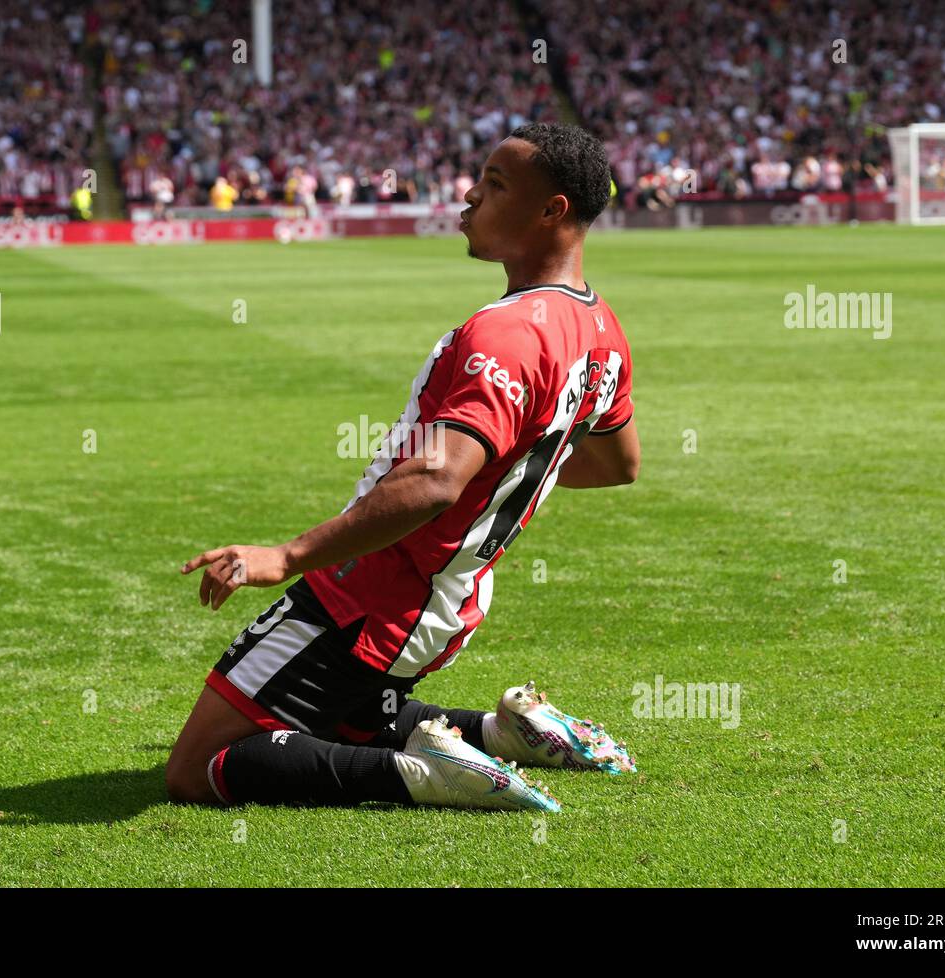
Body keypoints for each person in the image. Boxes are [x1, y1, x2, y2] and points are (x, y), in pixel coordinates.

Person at [166, 124, 640, 812]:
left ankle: (429, 775)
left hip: (379, 588)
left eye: (496, 184)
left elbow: (434, 482)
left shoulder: (508, 331)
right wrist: (504, 471)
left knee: (198, 766)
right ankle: (506, 732)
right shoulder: (604, 332)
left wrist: (287, 554)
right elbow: (615, 463)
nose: (470, 194)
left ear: (553, 211)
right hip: (453, 596)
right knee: (343, 719)